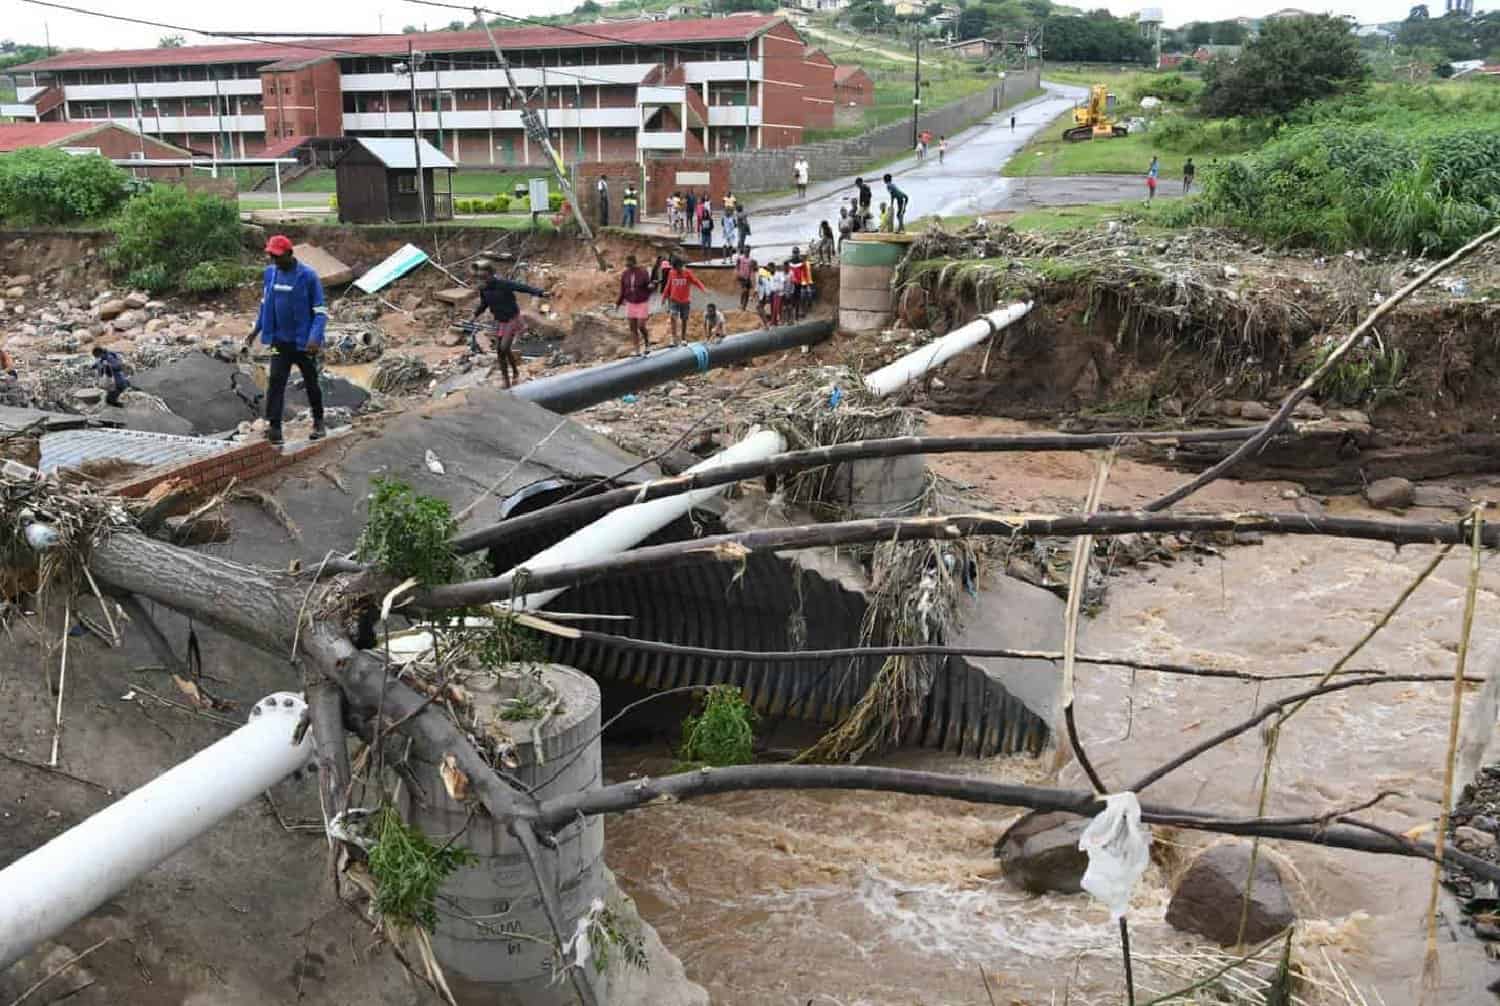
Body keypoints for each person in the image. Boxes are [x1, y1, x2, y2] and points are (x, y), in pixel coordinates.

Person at [243, 234, 327, 445]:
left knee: (311, 383)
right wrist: (256, 331)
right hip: (279, 342)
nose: (275, 261)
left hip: (304, 344)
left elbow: (320, 311)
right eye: (271, 256)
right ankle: (275, 428)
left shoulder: (308, 276)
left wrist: (314, 337)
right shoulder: (271, 274)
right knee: (276, 382)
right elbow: (265, 306)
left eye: (278, 256)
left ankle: (318, 422)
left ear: (290, 254)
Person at [472, 258, 547, 390]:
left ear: (490, 275)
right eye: (479, 279)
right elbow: (484, 304)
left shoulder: (503, 284)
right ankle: (510, 376)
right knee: (502, 351)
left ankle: (512, 377)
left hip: (513, 319)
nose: (481, 281)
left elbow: (522, 287)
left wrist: (540, 292)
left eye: (483, 278)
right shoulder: (484, 290)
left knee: (503, 348)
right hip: (501, 321)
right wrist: (475, 315)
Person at [663, 255, 707, 346]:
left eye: (678, 268)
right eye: (674, 268)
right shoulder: (672, 273)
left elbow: (696, 281)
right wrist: (664, 297)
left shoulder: (687, 273)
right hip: (674, 300)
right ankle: (674, 338)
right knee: (672, 316)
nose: (677, 270)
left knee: (684, 320)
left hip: (685, 301)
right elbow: (668, 285)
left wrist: (703, 289)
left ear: (681, 265)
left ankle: (683, 338)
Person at [617, 254, 654, 356]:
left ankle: (647, 343)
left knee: (641, 325)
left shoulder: (643, 272)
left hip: (642, 302)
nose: (628, 266)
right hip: (630, 302)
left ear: (634, 263)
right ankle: (637, 350)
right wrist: (619, 302)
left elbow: (648, 285)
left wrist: (650, 288)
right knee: (632, 327)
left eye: (630, 264)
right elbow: (623, 289)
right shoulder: (625, 274)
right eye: (627, 264)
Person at [735, 246, 757, 311]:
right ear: (744, 251)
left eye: (748, 250)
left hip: (748, 277)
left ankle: (744, 306)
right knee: (744, 291)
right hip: (742, 277)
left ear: (749, 251)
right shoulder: (740, 258)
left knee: (747, 292)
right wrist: (737, 272)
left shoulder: (751, 259)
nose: (746, 251)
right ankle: (741, 304)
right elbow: (737, 265)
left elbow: (753, 268)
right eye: (745, 250)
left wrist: (752, 276)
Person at [755, 260, 774, 327]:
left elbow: (767, 285)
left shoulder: (765, 274)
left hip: (765, 294)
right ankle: (765, 322)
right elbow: (758, 285)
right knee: (760, 307)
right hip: (763, 294)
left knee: (759, 307)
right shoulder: (759, 273)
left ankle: (766, 323)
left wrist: (767, 295)